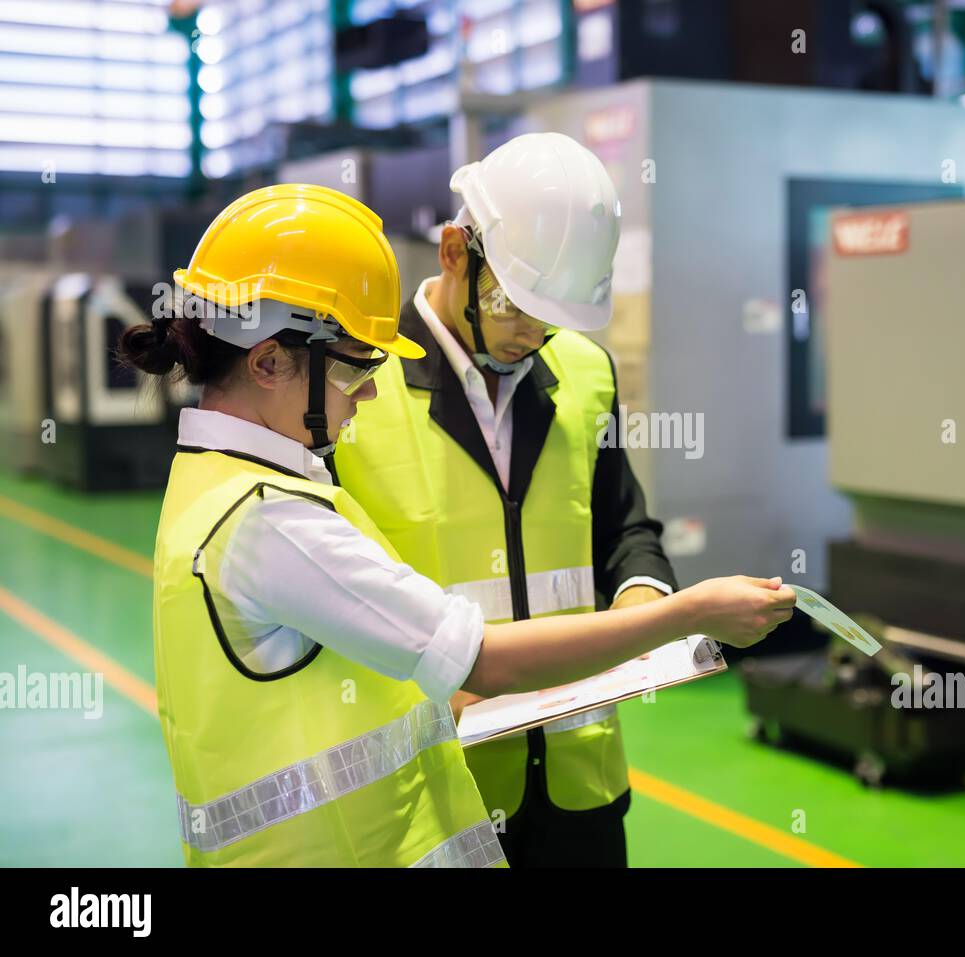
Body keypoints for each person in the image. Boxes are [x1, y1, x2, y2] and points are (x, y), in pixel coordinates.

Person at [122, 183, 794, 867]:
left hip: (571, 777)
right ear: (267, 361)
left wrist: (648, 594)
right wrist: (690, 614)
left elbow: (622, 521)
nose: (372, 392)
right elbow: (483, 659)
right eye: (356, 372)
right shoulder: (271, 518)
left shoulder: (216, 478)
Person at [333, 133, 673, 866]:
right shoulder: (354, 388)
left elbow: (624, 525)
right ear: (456, 250)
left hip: (581, 787)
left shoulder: (586, 373)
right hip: (437, 797)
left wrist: (642, 591)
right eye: (515, 303)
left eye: (552, 315)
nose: (532, 333)